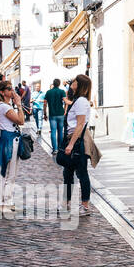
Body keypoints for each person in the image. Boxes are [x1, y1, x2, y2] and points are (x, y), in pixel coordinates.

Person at [59, 74, 94, 218]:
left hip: (76, 141)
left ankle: (85, 206)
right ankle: (66, 202)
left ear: (79, 85)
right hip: (71, 139)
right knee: (67, 173)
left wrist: (71, 144)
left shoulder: (81, 101)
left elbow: (80, 124)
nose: (72, 82)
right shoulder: (78, 100)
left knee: (81, 173)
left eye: (74, 81)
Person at [0, 81, 26, 215]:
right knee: (9, 173)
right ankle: (4, 202)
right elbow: (21, 120)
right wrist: (19, 105)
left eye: (12, 88)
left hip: (9, 138)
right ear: (2, 92)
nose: (12, 90)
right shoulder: (4, 107)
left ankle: (8, 201)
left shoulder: (5, 106)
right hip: (10, 140)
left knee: (9, 173)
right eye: (9, 89)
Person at [44, 78, 67, 152]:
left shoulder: (48, 92)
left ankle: (55, 149)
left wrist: (45, 113)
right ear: (59, 84)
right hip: (61, 114)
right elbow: (66, 102)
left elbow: (45, 103)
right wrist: (65, 110)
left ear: (53, 84)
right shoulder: (62, 91)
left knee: (53, 131)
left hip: (52, 114)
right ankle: (60, 148)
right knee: (60, 131)